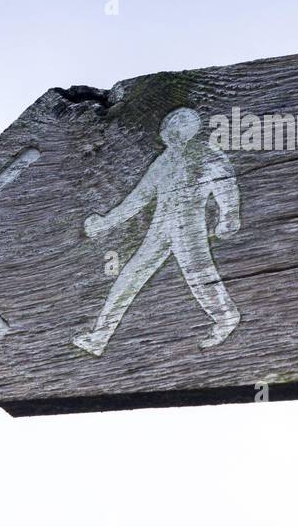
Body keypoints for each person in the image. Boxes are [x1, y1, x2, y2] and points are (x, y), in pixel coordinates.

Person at [74, 107, 241, 356]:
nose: (171, 132)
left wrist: (229, 216)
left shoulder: (207, 154)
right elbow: (138, 198)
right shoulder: (163, 161)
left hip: (189, 229)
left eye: (178, 126)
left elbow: (226, 185)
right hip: (161, 229)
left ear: (189, 129)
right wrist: (105, 223)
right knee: (129, 277)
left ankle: (227, 317)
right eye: (169, 127)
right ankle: (99, 337)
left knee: (201, 277)